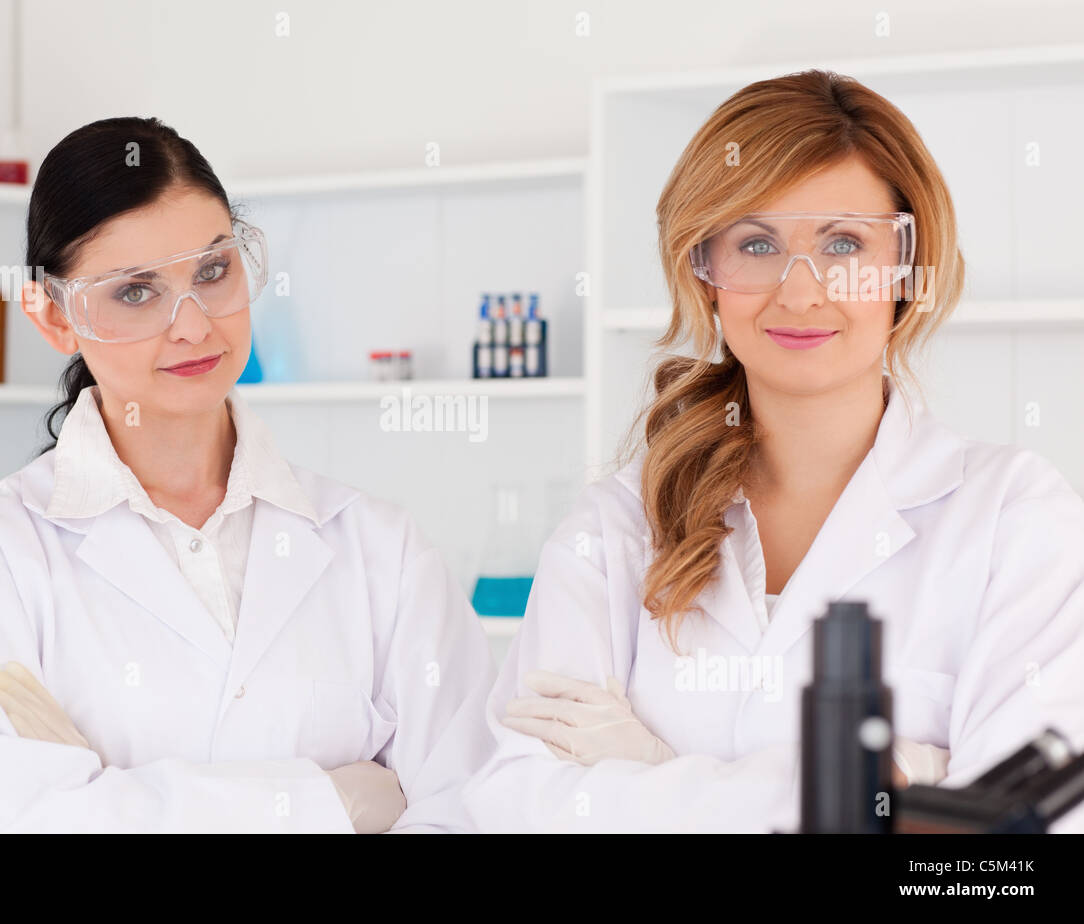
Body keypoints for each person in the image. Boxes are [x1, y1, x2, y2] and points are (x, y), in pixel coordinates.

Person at [462, 70, 1084, 833]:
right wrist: (893, 780)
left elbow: (1002, 851)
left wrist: (653, 774)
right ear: (706, 271)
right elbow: (511, 806)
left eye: (844, 243)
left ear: (906, 270)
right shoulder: (617, 527)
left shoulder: (1014, 519)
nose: (799, 292)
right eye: (756, 244)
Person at [0, 117, 496, 833]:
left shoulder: (380, 550)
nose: (194, 326)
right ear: (53, 318)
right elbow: (13, 821)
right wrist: (333, 805)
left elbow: (472, 808)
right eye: (135, 292)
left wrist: (114, 799)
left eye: (212, 271)